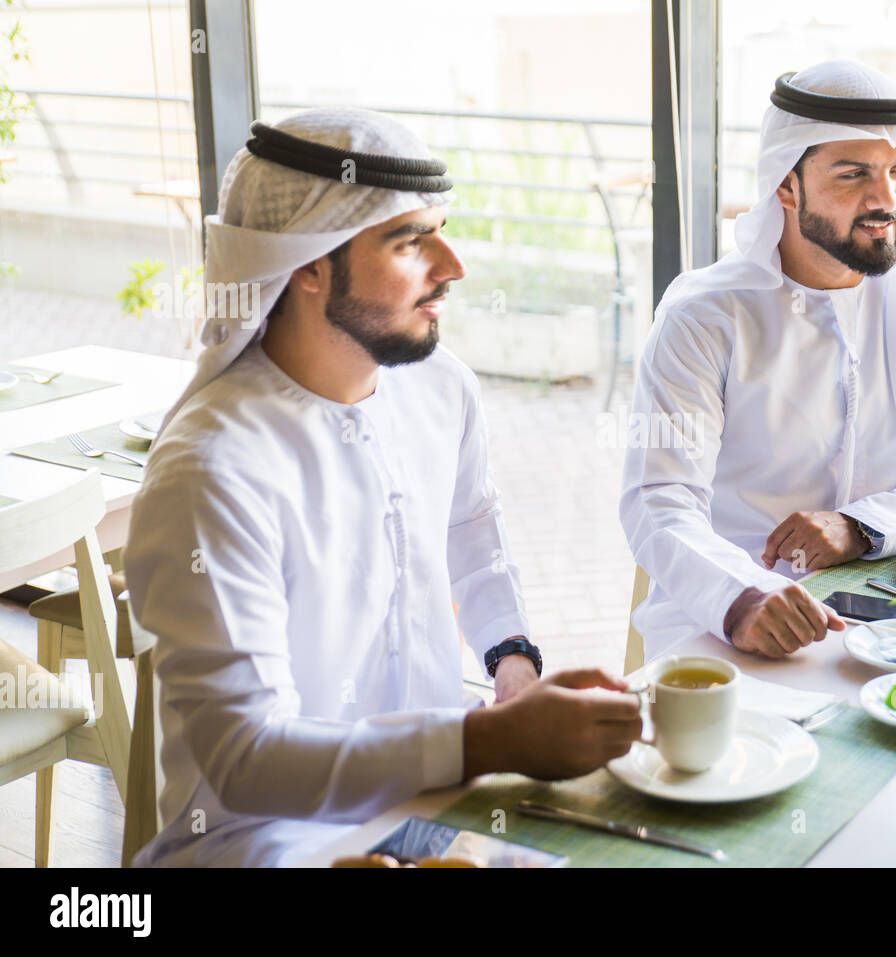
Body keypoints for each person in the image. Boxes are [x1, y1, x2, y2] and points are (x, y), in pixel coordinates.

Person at [125, 109, 641, 867]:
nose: (453, 265)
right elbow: (248, 755)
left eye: (441, 229)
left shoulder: (440, 387)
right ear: (306, 263)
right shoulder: (212, 468)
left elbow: (472, 530)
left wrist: (514, 667)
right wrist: (491, 739)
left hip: (439, 795)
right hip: (265, 840)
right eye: (409, 241)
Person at [620, 61, 896, 661]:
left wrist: (862, 526)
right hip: (726, 618)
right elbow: (659, 500)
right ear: (785, 185)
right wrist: (743, 598)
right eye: (853, 173)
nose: (886, 198)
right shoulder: (705, 315)